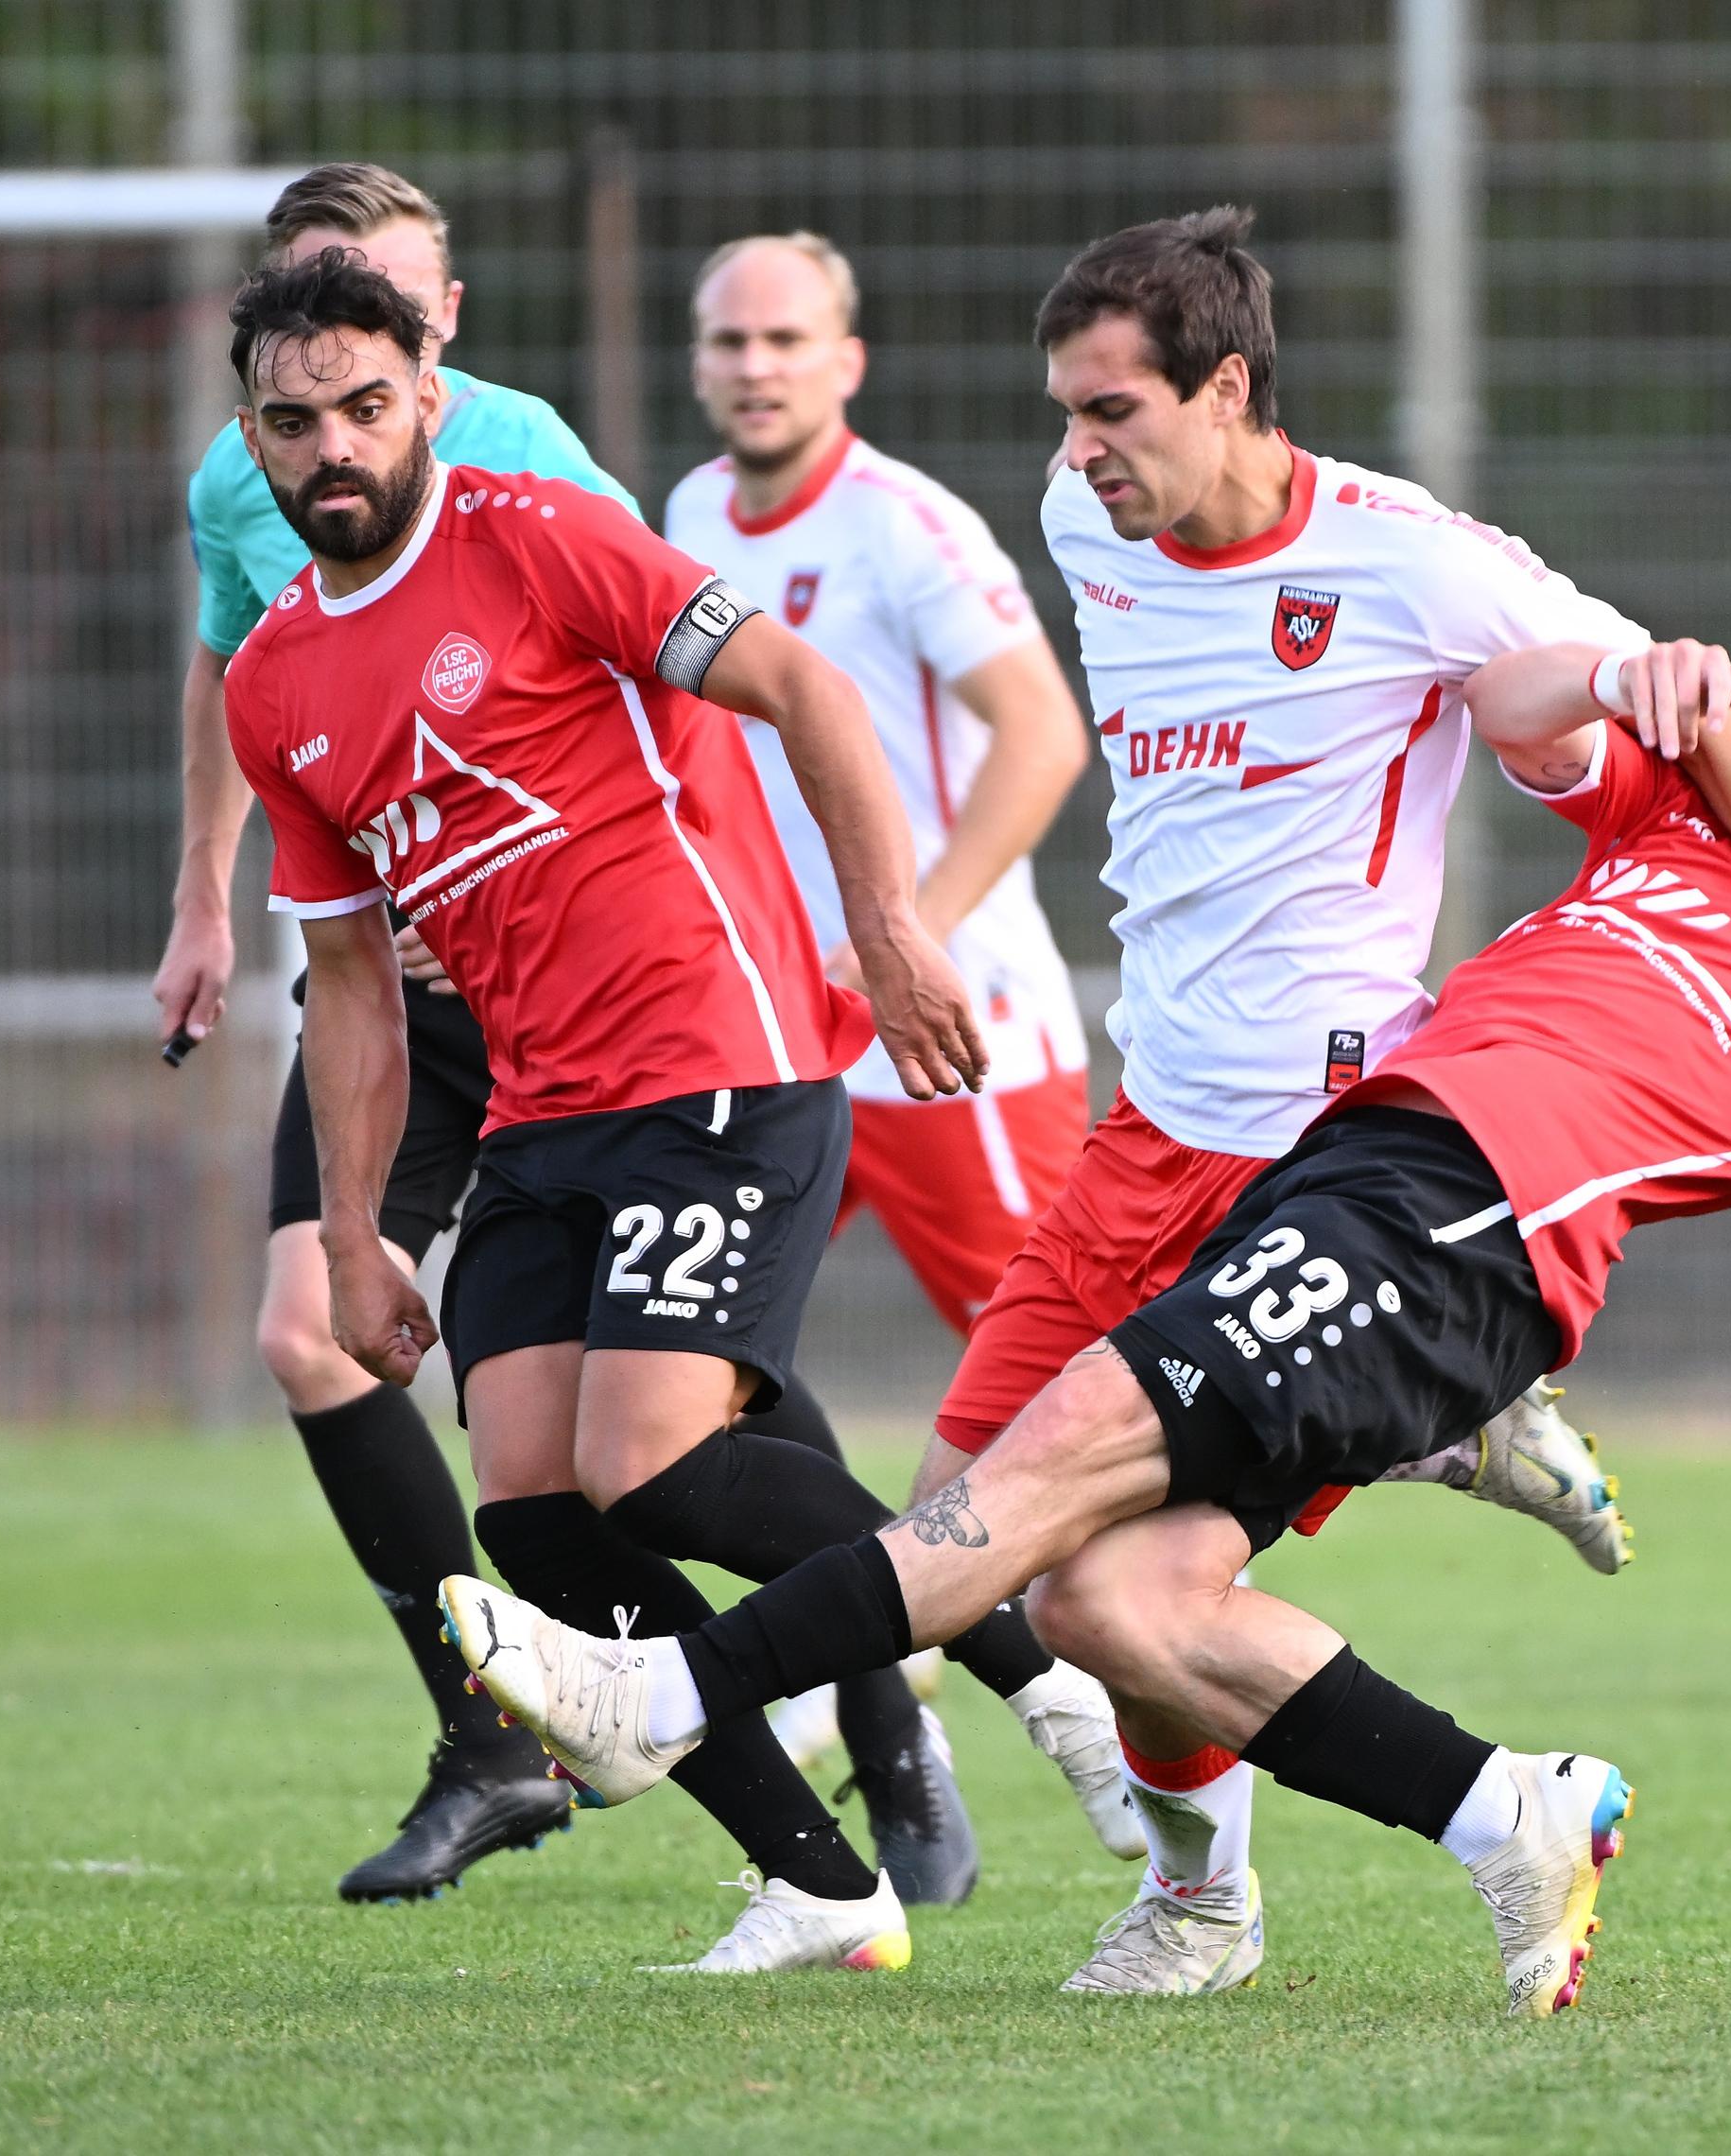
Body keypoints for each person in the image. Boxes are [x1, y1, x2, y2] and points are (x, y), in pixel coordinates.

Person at [447, 632, 1731, 2023]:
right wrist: (1640, 668)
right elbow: (1510, 688)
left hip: (1469, 1222)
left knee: (1046, 1462)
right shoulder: (1710, 810)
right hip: (1376, 1187)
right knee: (1114, 1602)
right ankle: (1506, 1815)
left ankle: (661, 1698)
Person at [745, 206, 1731, 1974]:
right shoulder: (1082, 519)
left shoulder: (1410, 557)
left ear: (1229, 387)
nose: (1077, 452)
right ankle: (1438, 1470)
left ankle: (1123, 1878)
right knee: (969, 1540)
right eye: (1064, 411)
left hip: (1318, 1169)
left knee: (1085, 1579)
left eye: (1113, 409)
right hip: (1146, 1129)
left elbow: (1647, 707)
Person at [219, 248, 1105, 1973]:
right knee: (538, 1511)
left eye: (362, 408)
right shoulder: (276, 687)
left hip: (724, 1055)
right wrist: (347, 1233)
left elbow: (808, 691)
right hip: (539, 1112)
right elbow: (350, 992)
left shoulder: (540, 533)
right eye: (291, 419)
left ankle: (1033, 1659)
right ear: (253, 434)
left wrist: (894, 932)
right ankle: (820, 1886)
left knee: (654, 1461)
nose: (331, 445)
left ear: (423, 398)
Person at [153, 162, 672, 1904]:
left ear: (434, 331)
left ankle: (899, 1729)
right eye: (306, 309)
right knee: (313, 1332)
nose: (327, 420)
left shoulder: (525, 452)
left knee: (659, 1411)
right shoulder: (246, 480)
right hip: (381, 979)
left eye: (375, 308)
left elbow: (656, 661)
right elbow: (248, 685)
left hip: (560, 983)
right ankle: (489, 1733)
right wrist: (204, 897)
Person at [665, 231, 1134, 1882]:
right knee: (712, 1392)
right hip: (776, 1042)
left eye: (787, 337)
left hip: (959, 1050)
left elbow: (1044, 732)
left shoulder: (908, 524)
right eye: (729, 339)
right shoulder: (688, 521)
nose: (755, 365)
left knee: (1088, 1412)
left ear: (845, 360)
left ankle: (1159, 1747)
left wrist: (901, 937)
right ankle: (891, 1714)